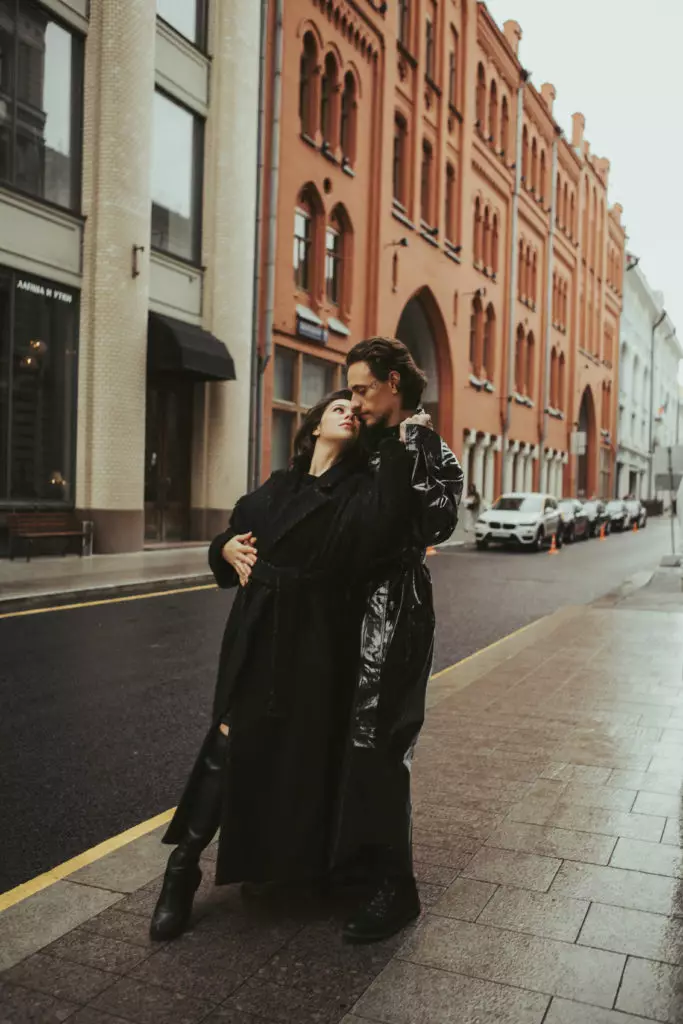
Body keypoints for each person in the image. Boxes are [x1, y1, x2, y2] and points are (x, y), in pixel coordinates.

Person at [150, 390, 415, 942]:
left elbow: (381, 527)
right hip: (257, 631)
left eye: (354, 409)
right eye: (336, 406)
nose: (347, 411)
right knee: (228, 742)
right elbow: (235, 532)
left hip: (319, 640)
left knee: (297, 753)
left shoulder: (360, 489)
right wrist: (222, 549)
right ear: (314, 425)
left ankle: (280, 868)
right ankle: (181, 870)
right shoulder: (277, 485)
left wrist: (398, 439)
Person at [336, 337, 463, 944]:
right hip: (346, 608)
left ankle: (398, 887)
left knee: (384, 744)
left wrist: (407, 448)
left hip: (396, 610)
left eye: (361, 389)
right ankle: (360, 863)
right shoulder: (362, 445)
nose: (353, 401)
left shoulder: (428, 449)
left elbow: (436, 520)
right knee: (354, 742)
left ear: (392, 381)